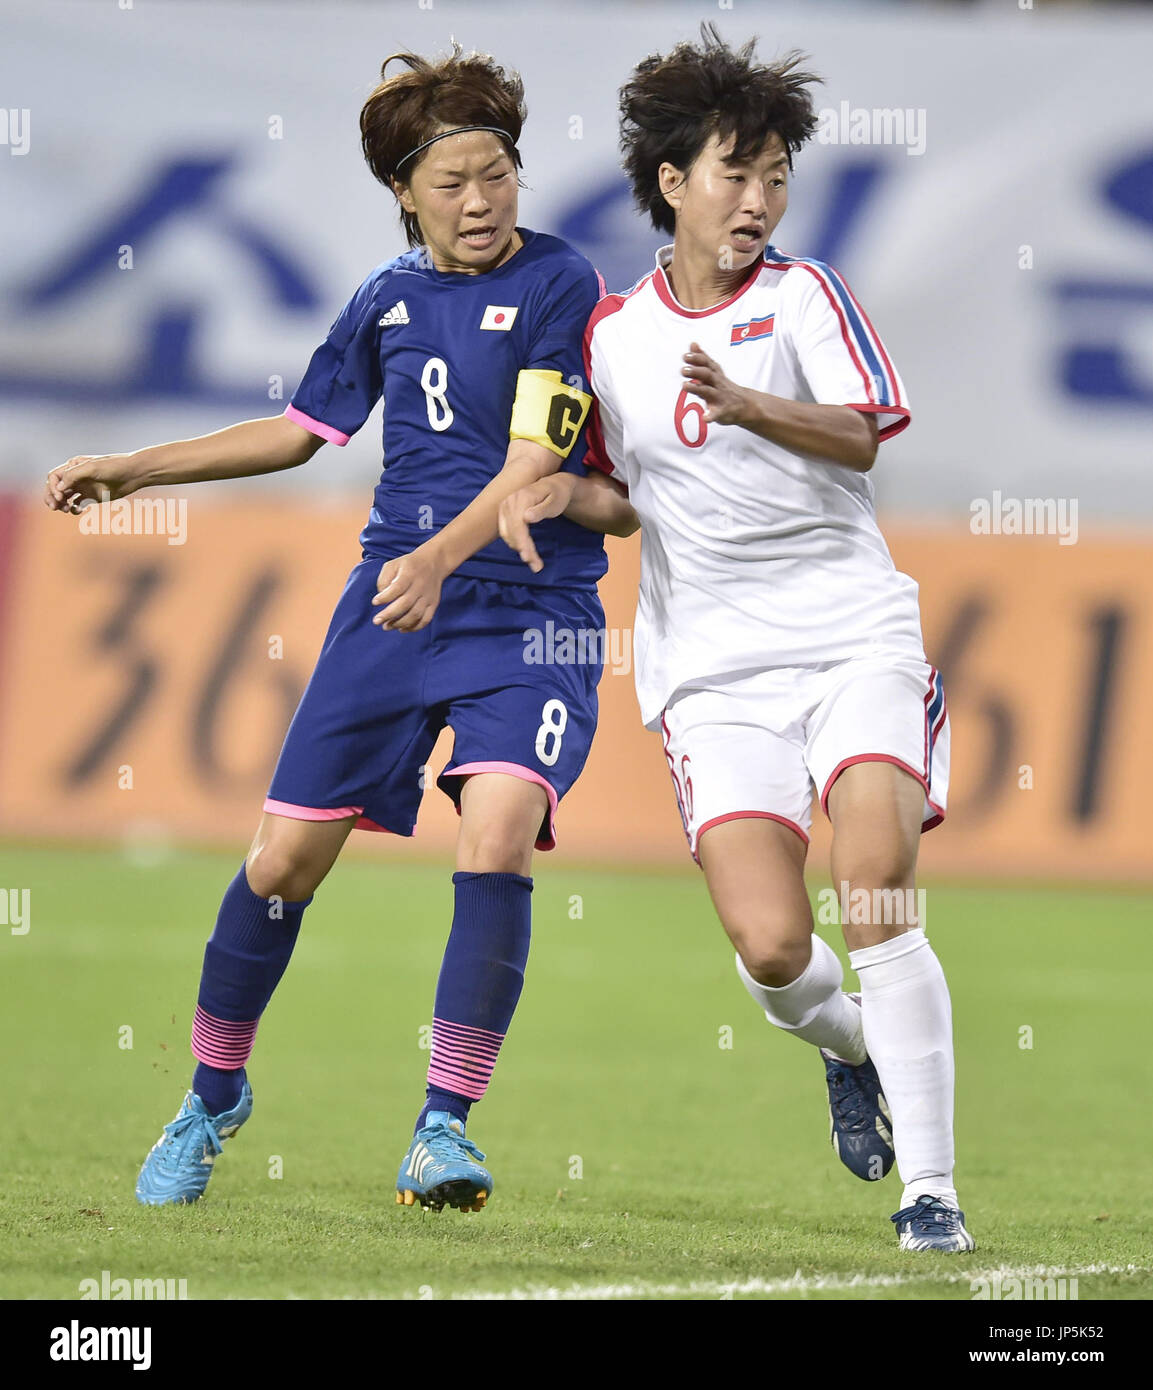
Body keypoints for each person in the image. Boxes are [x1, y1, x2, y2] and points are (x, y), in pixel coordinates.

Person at [44, 45, 634, 1215]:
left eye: (498, 174)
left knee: (501, 825)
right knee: (280, 864)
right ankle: (211, 1097)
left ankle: (441, 1128)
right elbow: (301, 430)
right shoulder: (383, 298)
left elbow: (535, 461)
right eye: (454, 182)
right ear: (406, 194)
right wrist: (131, 467)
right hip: (393, 608)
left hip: (529, 613)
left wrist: (436, 553)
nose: (480, 202)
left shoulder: (563, 283)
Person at [500, 26, 974, 1253]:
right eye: (732, 173)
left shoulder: (803, 298)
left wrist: (749, 398)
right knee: (771, 948)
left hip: (848, 635)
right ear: (670, 184)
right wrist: (565, 498)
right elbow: (623, 493)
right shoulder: (609, 336)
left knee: (870, 890)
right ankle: (858, 1048)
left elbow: (864, 433)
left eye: (773, 176)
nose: (757, 200)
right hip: (709, 668)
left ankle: (932, 1198)